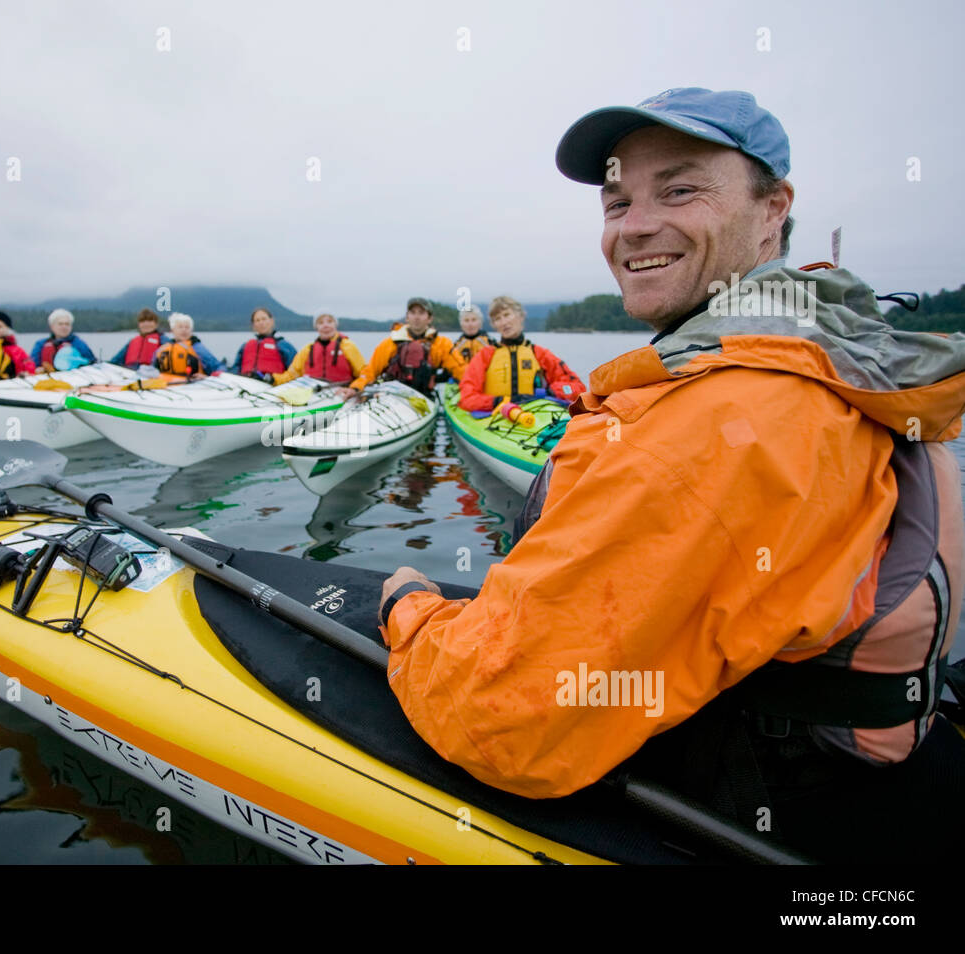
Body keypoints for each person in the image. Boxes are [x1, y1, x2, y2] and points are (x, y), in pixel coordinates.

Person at [376, 88, 965, 862]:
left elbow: (503, 719)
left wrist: (408, 609)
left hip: (778, 804)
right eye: (616, 202)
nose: (636, 226)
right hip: (869, 769)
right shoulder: (829, 354)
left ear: (771, 209)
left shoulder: (732, 416)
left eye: (680, 189)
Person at [457, 296, 586, 414]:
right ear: (494, 325)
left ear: (520, 316)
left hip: (536, 414)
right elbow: (467, 397)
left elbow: (577, 388)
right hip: (498, 416)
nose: (503, 322)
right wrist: (497, 401)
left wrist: (549, 392)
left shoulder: (540, 354)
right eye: (498, 319)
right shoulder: (485, 356)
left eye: (507, 315)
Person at [337, 297, 466, 398]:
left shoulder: (441, 344)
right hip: (393, 395)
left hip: (424, 396)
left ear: (429, 318)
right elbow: (370, 371)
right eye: (413, 312)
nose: (416, 317)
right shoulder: (390, 343)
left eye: (421, 313)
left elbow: (460, 369)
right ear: (407, 317)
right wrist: (355, 388)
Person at [274, 313, 367, 385]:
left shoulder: (348, 346)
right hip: (314, 393)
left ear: (335, 324)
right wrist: (273, 379)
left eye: (329, 321)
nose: (325, 325)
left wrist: (355, 388)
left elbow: (363, 373)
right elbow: (291, 375)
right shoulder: (307, 350)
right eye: (321, 322)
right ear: (316, 327)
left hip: (341, 391)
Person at [229, 307, 297, 382]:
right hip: (245, 384)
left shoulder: (284, 346)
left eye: (264, 319)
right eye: (257, 320)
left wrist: (273, 379)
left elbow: (295, 372)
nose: (261, 323)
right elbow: (235, 369)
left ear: (271, 321)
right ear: (253, 325)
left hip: (273, 386)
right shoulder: (245, 346)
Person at [154, 312, 223, 379]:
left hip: (192, 384)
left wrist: (208, 377)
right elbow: (152, 367)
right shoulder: (163, 348)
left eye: (187, 327)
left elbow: (218, 367)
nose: (184, 330)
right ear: (172, 330)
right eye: (180, 327)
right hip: (167, 385)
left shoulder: (197, 348)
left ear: (191, 330)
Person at [31, 308, 96, 372]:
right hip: (47, 377)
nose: (64, 327)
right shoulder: (41, 344)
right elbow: (32, 364)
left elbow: (91, 362)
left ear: (71, 327)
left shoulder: (78, 344)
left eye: (67, 324)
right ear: (52, 326)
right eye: (60, 324)